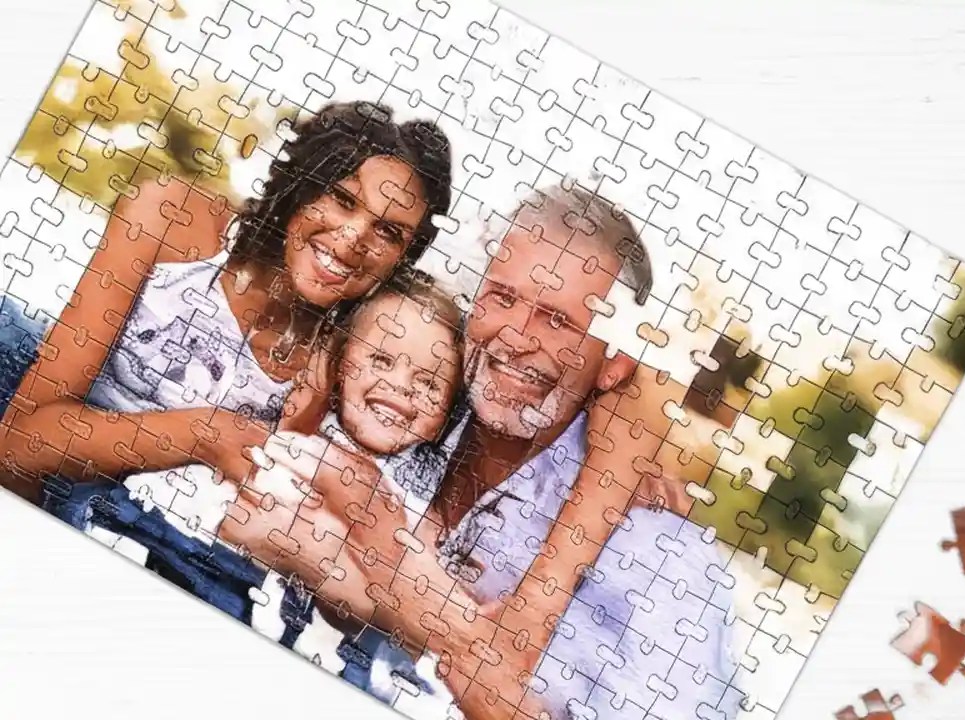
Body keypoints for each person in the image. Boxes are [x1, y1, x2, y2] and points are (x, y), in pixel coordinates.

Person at [241, 184, 744, 720]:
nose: (514, 336)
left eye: (558, 321)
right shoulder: (398, 410)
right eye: (501, 298)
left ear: (615, 362)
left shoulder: (662, 562)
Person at [0, 100, 454, 623]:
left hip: (135, 523)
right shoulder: (172, 218)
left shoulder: (334, 355)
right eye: (342, 198)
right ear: (300, 184)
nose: (355, 240)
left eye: (390, 232)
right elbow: (22, 442)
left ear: (404, 255)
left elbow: (239, 514)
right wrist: (202, 433)